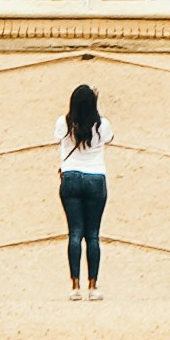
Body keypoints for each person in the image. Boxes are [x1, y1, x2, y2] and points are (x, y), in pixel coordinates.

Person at [58, 81, 111, 297]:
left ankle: (75, 286)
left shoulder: (63, 123)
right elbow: (110, 139)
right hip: (95, 176)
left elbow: (60, 142)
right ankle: (92, 286)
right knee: (93, 235)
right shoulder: (102, 124)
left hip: (70, 176)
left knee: (75, 233)